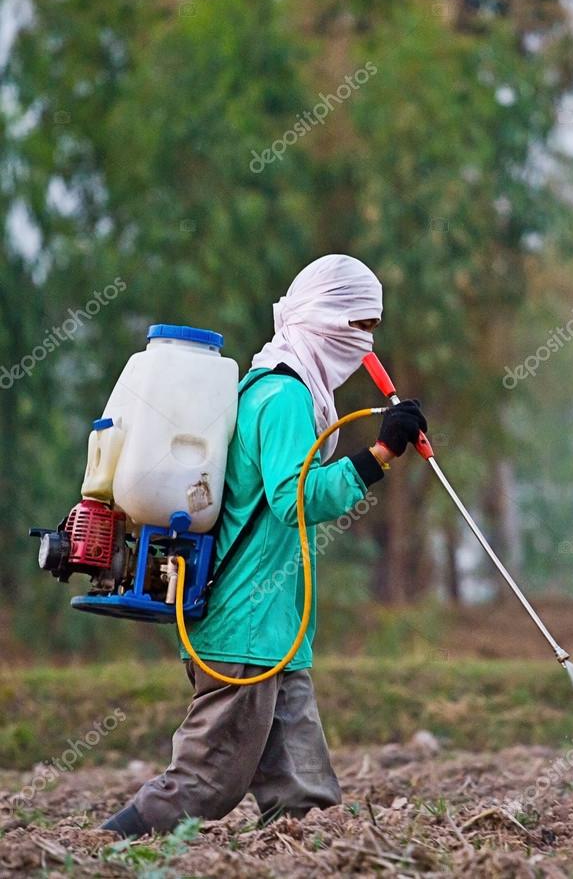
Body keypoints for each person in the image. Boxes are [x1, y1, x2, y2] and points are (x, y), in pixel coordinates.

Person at [101, 254, 427, 836]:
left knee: (302, 795)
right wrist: (379, 455)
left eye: (374, 329)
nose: (365, 345)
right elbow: (294, 499)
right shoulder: (282, 397)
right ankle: (104, 846)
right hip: (245, 625)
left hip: (278, 632)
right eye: (359, 326)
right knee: (207, 781)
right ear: (321, 317)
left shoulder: (290, 391)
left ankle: (313, 853)